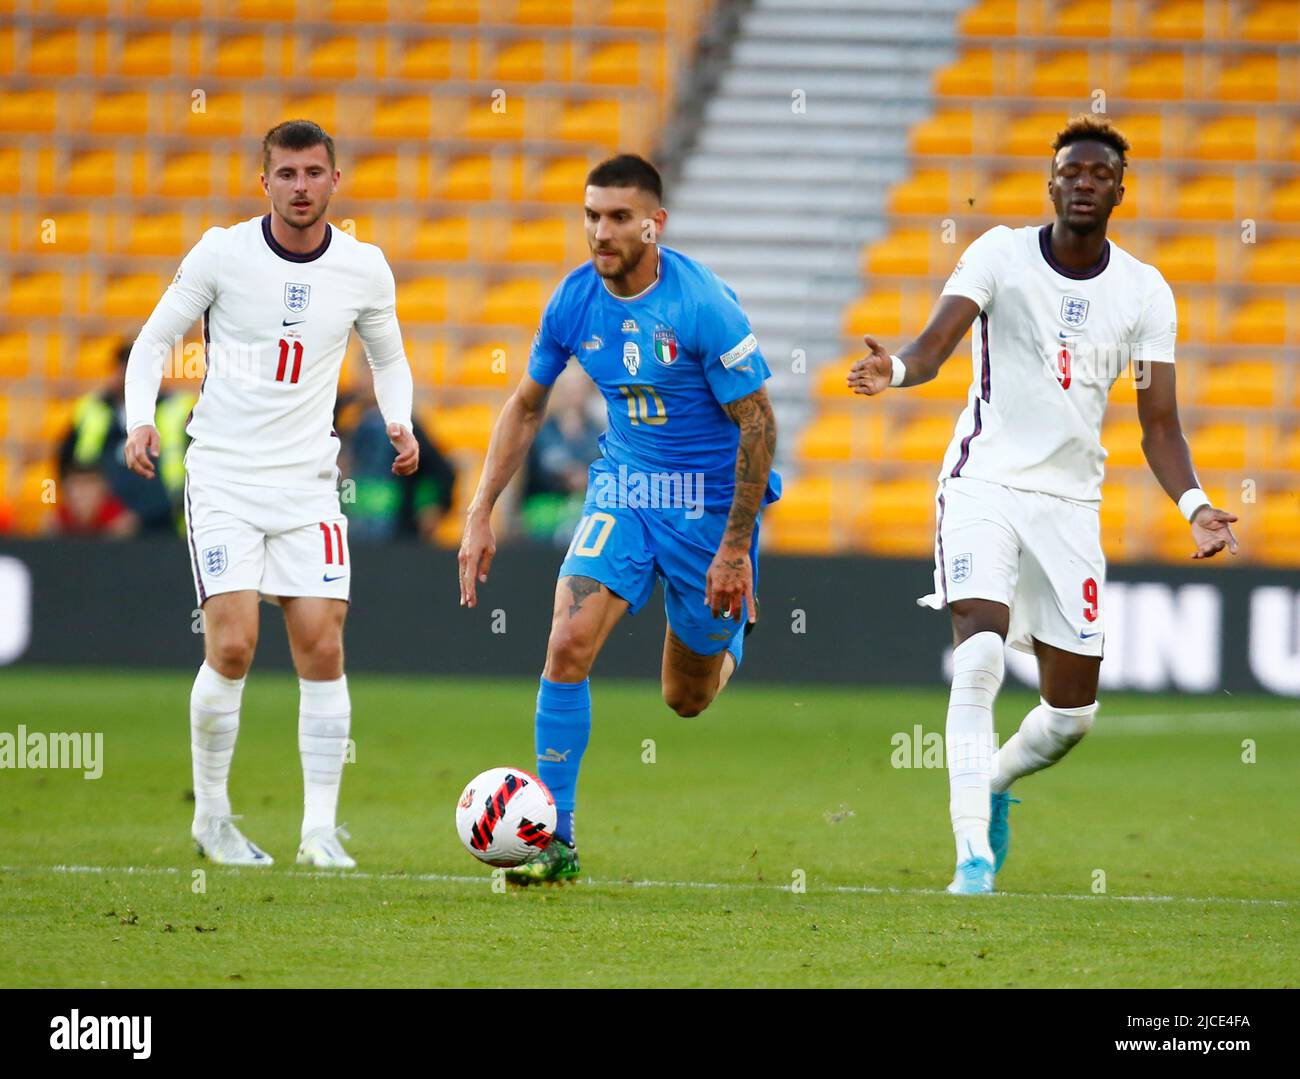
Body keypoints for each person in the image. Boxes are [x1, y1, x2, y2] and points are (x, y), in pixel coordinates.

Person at [848, 115, 1239, 894]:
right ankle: (970, 858)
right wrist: (894, 369)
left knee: (1070, 718)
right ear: (1051, 183)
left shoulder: (1145, 292)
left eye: (1100, 173)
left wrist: (1194, 503)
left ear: (1120, 191)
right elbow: (931, 350)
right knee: (981, 655)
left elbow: (1158, 425)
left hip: (1069, 504)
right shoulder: (997, 252)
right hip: (982, 482)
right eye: (1072, 170)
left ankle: (991, 786)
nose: (1084, 181)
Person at [458, 153, 780, 885]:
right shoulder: (573, 301)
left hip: (705, 505)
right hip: (626, 489)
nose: (601, 232)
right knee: (566, 641)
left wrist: (734, 546)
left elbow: (759, 423)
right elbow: (527, 404)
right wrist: (480, 509)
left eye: (617, 218)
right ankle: (554, 840)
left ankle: (735, 634)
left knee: (685, 698)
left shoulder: (703, 305)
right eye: (591, 215)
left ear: (653, 224)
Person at [123, 120, 418, 869]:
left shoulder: (363, 267)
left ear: (335, 180)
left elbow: (389, 356)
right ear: (264, 183)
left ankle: (319, 830)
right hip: (222, 473)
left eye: (314, 172)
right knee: (232, 642)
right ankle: (213, 818)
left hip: (310, 485)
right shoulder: (222, 252)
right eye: (285, 174)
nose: (300, 187)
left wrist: (400, 420)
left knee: (322, 644)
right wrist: (137, 421)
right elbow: (155, 339)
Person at [59, 341, 192, 533]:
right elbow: (66, 465)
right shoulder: (91, 411)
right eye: (126, 368)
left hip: (166, 527)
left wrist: (143, 518)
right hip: (102, 530)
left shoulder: (177, 410)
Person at [520, 365, 604, 545]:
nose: (574, 394)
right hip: (545, 509)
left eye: (579, 388)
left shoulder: (598, 434)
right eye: (569, 388)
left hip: (585, 508)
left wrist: (586, 479)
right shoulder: (541, 433)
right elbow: (531, 476)